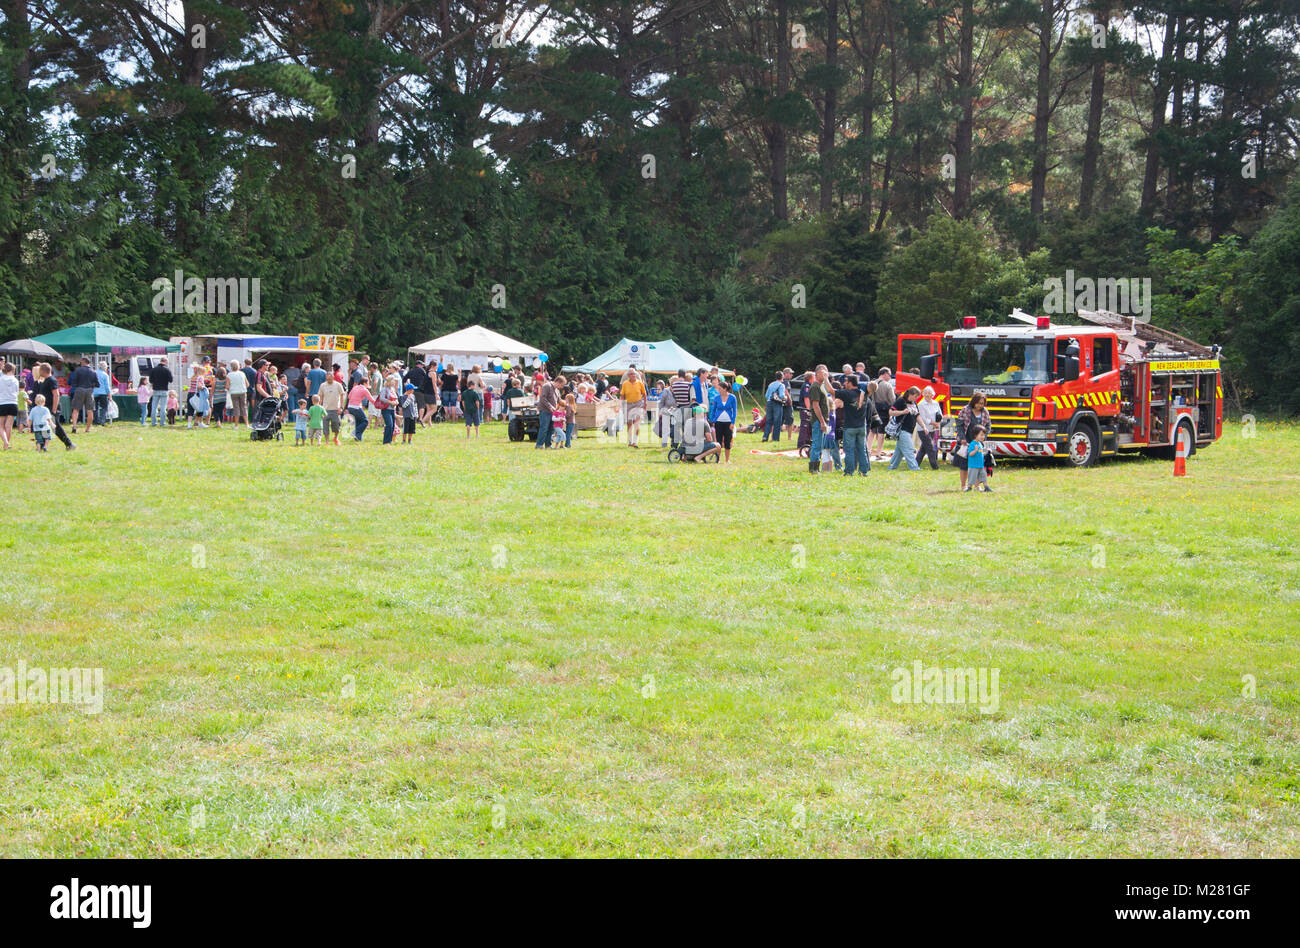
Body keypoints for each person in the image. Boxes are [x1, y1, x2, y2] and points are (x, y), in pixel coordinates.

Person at [834, 375, 873, 476]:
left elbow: (830, 390)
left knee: (849, 450)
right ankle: (863, 471)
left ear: (850, 383)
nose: (844, 383)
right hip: (862, 427)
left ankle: (849, 471)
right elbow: (873, 386)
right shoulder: (865, 393)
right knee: (862, 449)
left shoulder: (847, 394)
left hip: (850, 427)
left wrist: (825, 378)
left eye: (846, 382)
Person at [953, 392, 992, 491]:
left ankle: (977, 485)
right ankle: (963, 485)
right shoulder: (965, 410)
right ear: (974, 402)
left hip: (978, 442)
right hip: (966, 441)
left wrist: (984, 437)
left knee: (978, 464)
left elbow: (988, 425)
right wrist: (962, 438)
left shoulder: (985, 412)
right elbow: (959, 425)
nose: (980, 405)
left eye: (982, 403)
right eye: (978, 403)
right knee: (964, 465)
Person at [887, 385, 921, 471]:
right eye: (916, 396)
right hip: (902, 430)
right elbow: (891, 412)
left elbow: (917, 416)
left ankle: (891, 467)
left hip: (910, 431)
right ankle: (914, 468)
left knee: (899, 452)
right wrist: (902, 412)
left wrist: (924, 427)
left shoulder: (914, 403)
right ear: (911, 394)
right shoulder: (901, 401)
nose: (916, 398)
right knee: (909, 450)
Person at [806, 365, 832, 474]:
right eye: (823, 373)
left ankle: (816, 467)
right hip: (818, 420)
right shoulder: (815, 387)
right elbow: (815, 406)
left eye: (826, 372)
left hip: (823, 420)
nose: (825, 374)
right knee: (817, 444)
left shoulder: (822, 386)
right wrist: (822, 421)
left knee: (820, 445)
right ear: (816, 374)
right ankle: (813, 468)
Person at [708, 379, 737, 462]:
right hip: (718, 422)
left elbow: (734, 411)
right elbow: (713, 410)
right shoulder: (717, 398)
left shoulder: (732, 397)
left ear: (725, 389)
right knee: (718, 441)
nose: (718, 390)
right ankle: (718, 459)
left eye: (720, 388)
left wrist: (733, 422)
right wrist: (713, 420)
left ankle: (727, 460)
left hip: (728, 422)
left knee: (728, 441)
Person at [870, 368, 895, 459]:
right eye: (889, 375)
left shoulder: (871, 383)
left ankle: (868, 450)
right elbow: (892, 400)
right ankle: (878, 453)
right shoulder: (887, 385)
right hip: (883, 411)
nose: (890, 377)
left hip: (872, 409)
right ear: (884, 374)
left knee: (872, 431)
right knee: (881, 432)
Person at [68, 357, 97, 433]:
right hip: (89, 390)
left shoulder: (78, 370)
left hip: (79, 389)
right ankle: (88, 429)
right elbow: (97, 384)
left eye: (81, 362)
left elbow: (73, 382)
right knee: (90, 410)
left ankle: (74, 427)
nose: (80, 363)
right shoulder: (93, 372)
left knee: (75, 409)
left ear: (83, 362)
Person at [916, 386, 942, 470]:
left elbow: (939, 414)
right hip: (923, 428)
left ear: (932, 394)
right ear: (923, 394)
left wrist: (938, 422)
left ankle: (915, 464)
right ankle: (935, 466)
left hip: (933, 429)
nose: (927, 395)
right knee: (930, 447)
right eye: (925, 393)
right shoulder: (921, 404)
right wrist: (933, 423)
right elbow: (923, 418)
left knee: (923, 449)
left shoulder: (935, 403)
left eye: (929, 393)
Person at [620, 368, 647, 448]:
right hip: (628, 404)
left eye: (634, 374)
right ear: (628, 375)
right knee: (629, 423)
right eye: (631, 374)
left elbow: (644, 394)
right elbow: (622, 395)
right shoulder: (625, 384)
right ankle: (630, 441)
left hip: (638, 404)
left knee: (636, 423)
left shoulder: (640, 383)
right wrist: (620, 404)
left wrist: (645, 404)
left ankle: (635, 442)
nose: (633, 375)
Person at [965, 426, 992, 492]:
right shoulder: (972, 444)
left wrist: (987, 451)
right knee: (972, 477)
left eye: (984, 435)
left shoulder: (980, 443)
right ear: (975, 435)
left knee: (983, 476)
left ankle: (986, 487)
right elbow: (970, 454)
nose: (983, 437)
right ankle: (969, 487)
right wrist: (975, 450)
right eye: (981, 435)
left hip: (980, 465)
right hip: (973, 465)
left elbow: (981, 452)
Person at [535, 374, 559, 449]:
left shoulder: (557, 390)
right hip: (545, 411)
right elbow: (543, 398)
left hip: (552, 412)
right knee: (544, 428)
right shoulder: (547, 386)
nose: (562, 387)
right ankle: (539, 445)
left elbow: (558, 400)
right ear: (558, 382)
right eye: (561, 385)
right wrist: (550, 406)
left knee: (551, 429)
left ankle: (548, 445)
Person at [763, 371, 787, 443]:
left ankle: (765, 436)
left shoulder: (771, 384)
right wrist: (785, 398)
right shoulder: (781, 385)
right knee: (777, 421)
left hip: (769, 402)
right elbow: (782, 395)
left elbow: (766, 395)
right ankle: (775, 438)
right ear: (782, 377)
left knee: (768, 421)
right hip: (777, 404)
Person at [346, 375, 372, 441]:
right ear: (364, 383)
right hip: (356, 407)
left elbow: (349, 396)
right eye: (368, 383)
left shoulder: (355, 387)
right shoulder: (364, 389)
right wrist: (379, 405)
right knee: (365, 421)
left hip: (350, 407)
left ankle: (358, 438)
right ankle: (354, 432)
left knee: (358, 422)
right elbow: (371, 399)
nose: (368, 385)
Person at [0, 363, 18, 449]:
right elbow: (16, 392)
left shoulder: (1, 379)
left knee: (1, 425)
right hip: (13, 403)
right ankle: (7, 445)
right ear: (12, 370)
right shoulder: (15, 380)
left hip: (2, 403)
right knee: (9, 425)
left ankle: (5, 442)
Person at [226, 359, 248, 428]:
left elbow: (227, 386)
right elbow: (247, 384)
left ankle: (236, 425)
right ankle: (247, 424)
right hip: (242, 391)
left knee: (236, 408)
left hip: (234, 393)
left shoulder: (229, 375)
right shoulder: (242, 373)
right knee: (244, 407)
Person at [93, 361, 112, 426]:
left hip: (94, 392)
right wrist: (109, 394)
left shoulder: (94, 373)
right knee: (104, 407)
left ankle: (96, 421)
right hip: (103, 393)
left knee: (95, 407)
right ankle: (102, 421)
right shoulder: (105, 375)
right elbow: (107, 386)